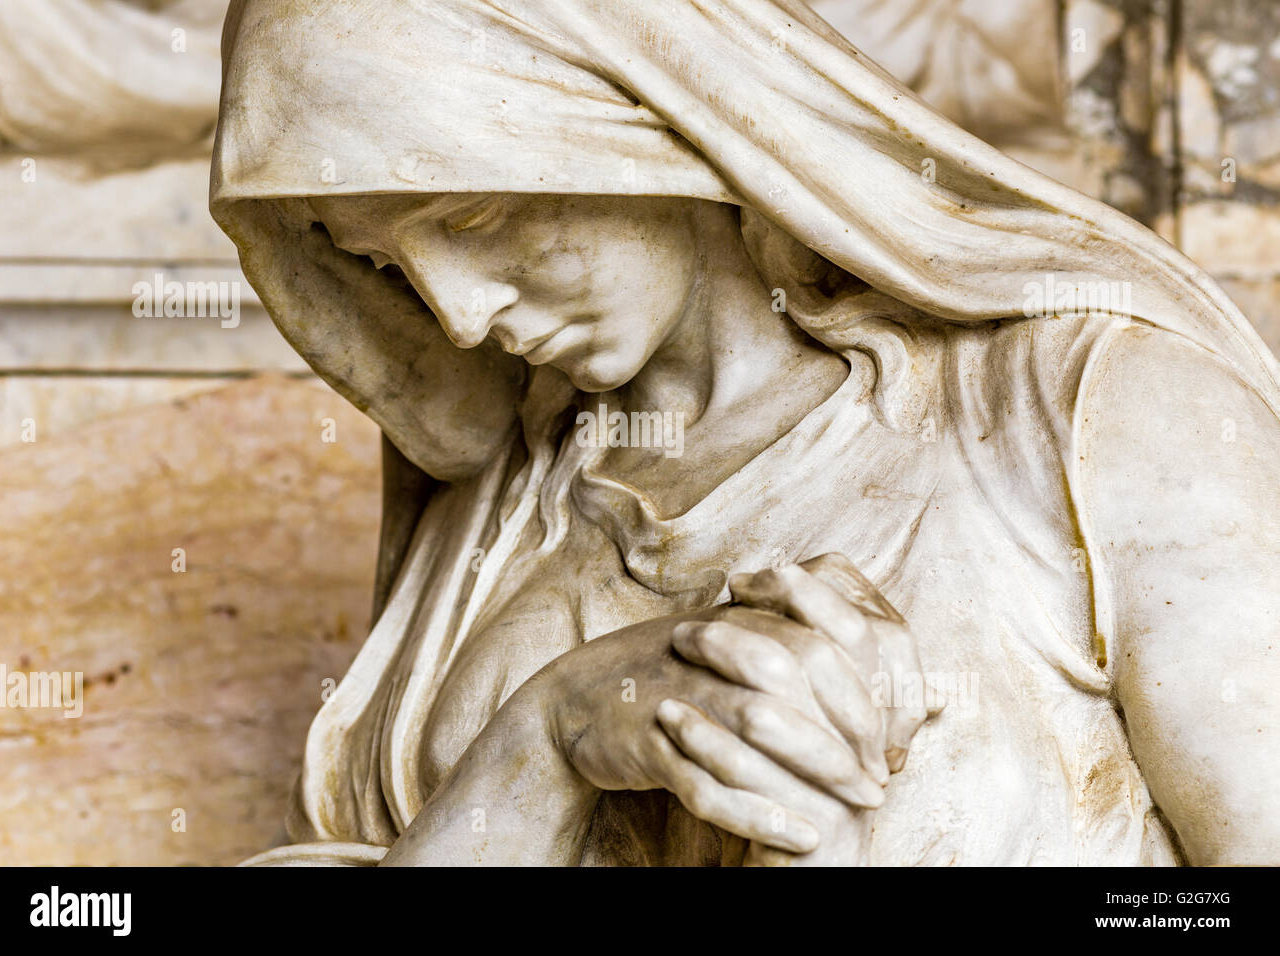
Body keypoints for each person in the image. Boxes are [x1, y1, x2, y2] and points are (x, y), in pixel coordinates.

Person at [211, 0, 1280, 866]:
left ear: (651, 119)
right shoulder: (498, 516)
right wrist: (547, 733)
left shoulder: (1093, 412)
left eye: (474, 218)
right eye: (389, 264)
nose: (456, 314)